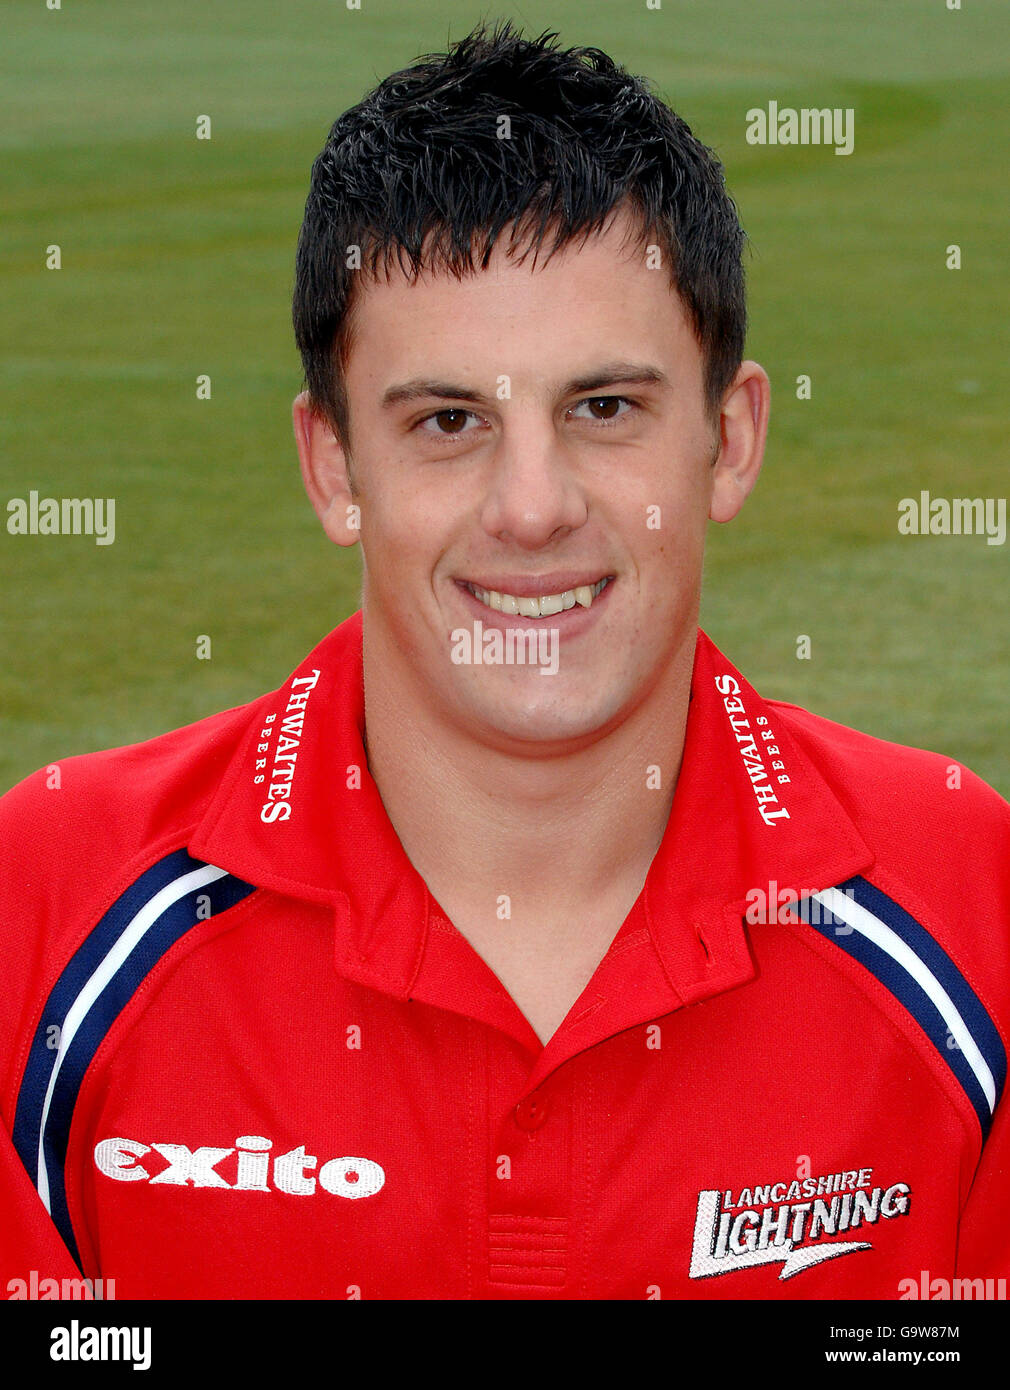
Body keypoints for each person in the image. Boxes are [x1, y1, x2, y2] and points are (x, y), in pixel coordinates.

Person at [1, 23, 1007, 1301]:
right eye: (447, 420)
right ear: (331, 466)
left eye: (603, 408)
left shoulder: (972, 903)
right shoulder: (46, 906)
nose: (530, 508)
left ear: (729, 436)